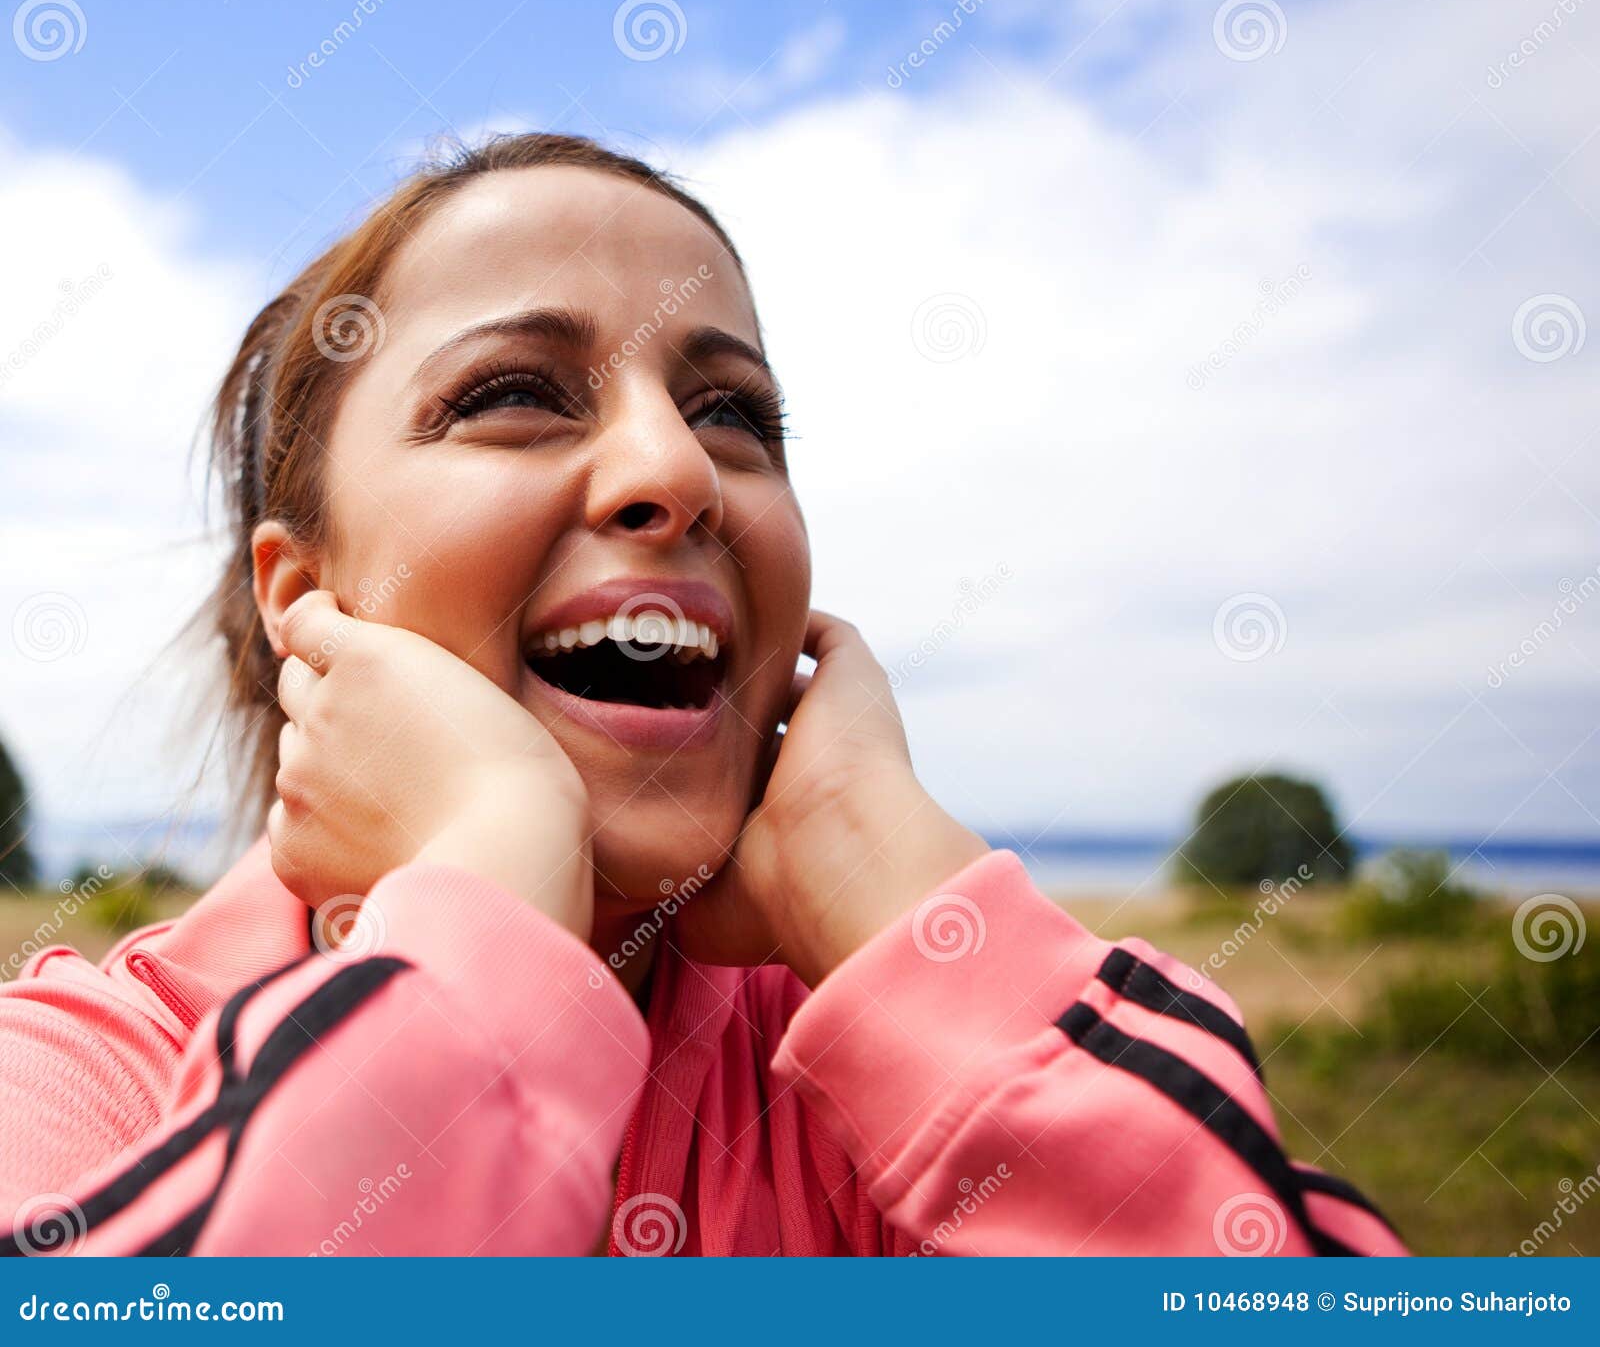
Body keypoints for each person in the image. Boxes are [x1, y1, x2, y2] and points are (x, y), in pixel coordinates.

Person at [0, 133, 1404, 1257]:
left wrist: (882, 869)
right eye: (515, 391)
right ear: (302, 596)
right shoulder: (77, 1081)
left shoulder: (888, 1088)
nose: (676, 470)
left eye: (735, 412)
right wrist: (489, 880)